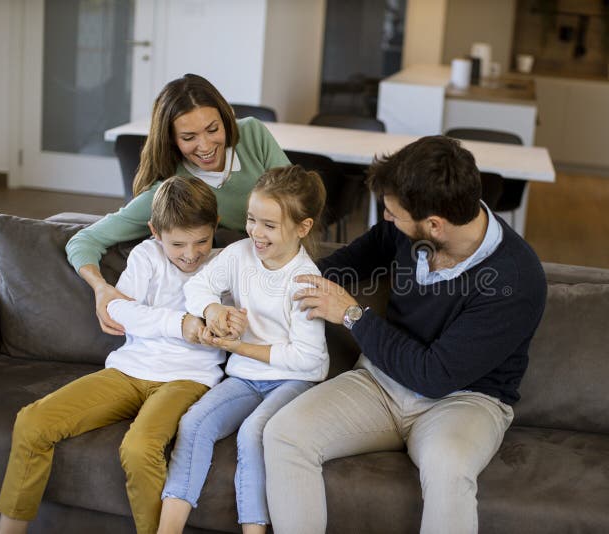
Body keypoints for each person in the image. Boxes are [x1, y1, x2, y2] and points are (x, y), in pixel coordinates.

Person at [263, 136, 548, 534]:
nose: (388, 219)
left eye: (394, 214)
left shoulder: (515, 279)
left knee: (449, 469)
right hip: (379, 382)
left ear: (434, 224)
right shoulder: (405, 230)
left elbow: (434, 376)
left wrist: (352, 314)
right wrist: (288, 284)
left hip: (465, 399)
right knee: (283, 434)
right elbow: (358, 256)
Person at [0, 176, 248, 534]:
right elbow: (120, 310)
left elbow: (236, 320)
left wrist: (224, 325)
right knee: (32, 422)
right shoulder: (146, 255)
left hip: (188, 379)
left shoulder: (226, 264)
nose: (191, 254)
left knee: (139, 448)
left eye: (202, 241)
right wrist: (182, 324)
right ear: (155, 232)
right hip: (128, 371)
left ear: (215, 227)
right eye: (178, 243)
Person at [157, 165, 330, 534]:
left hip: (294, 381)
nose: (256, 232)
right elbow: (198, 287)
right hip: (246, 379)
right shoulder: (239, 255)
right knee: (194, 423)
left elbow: (308, 359)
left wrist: (240, 347)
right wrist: (214, 309)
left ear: (303, 228)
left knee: (253, 433)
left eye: (269, 225)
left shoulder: (305, 280)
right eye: (252, 219)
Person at [66, 73, 290, 337]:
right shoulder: (170, 191)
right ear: (171, 139)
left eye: (213, 129)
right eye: (189, 137)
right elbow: (84, 241)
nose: (205, 145)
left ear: (225, 119)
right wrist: (100, 288)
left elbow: (295, 203)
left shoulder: (252, 133)